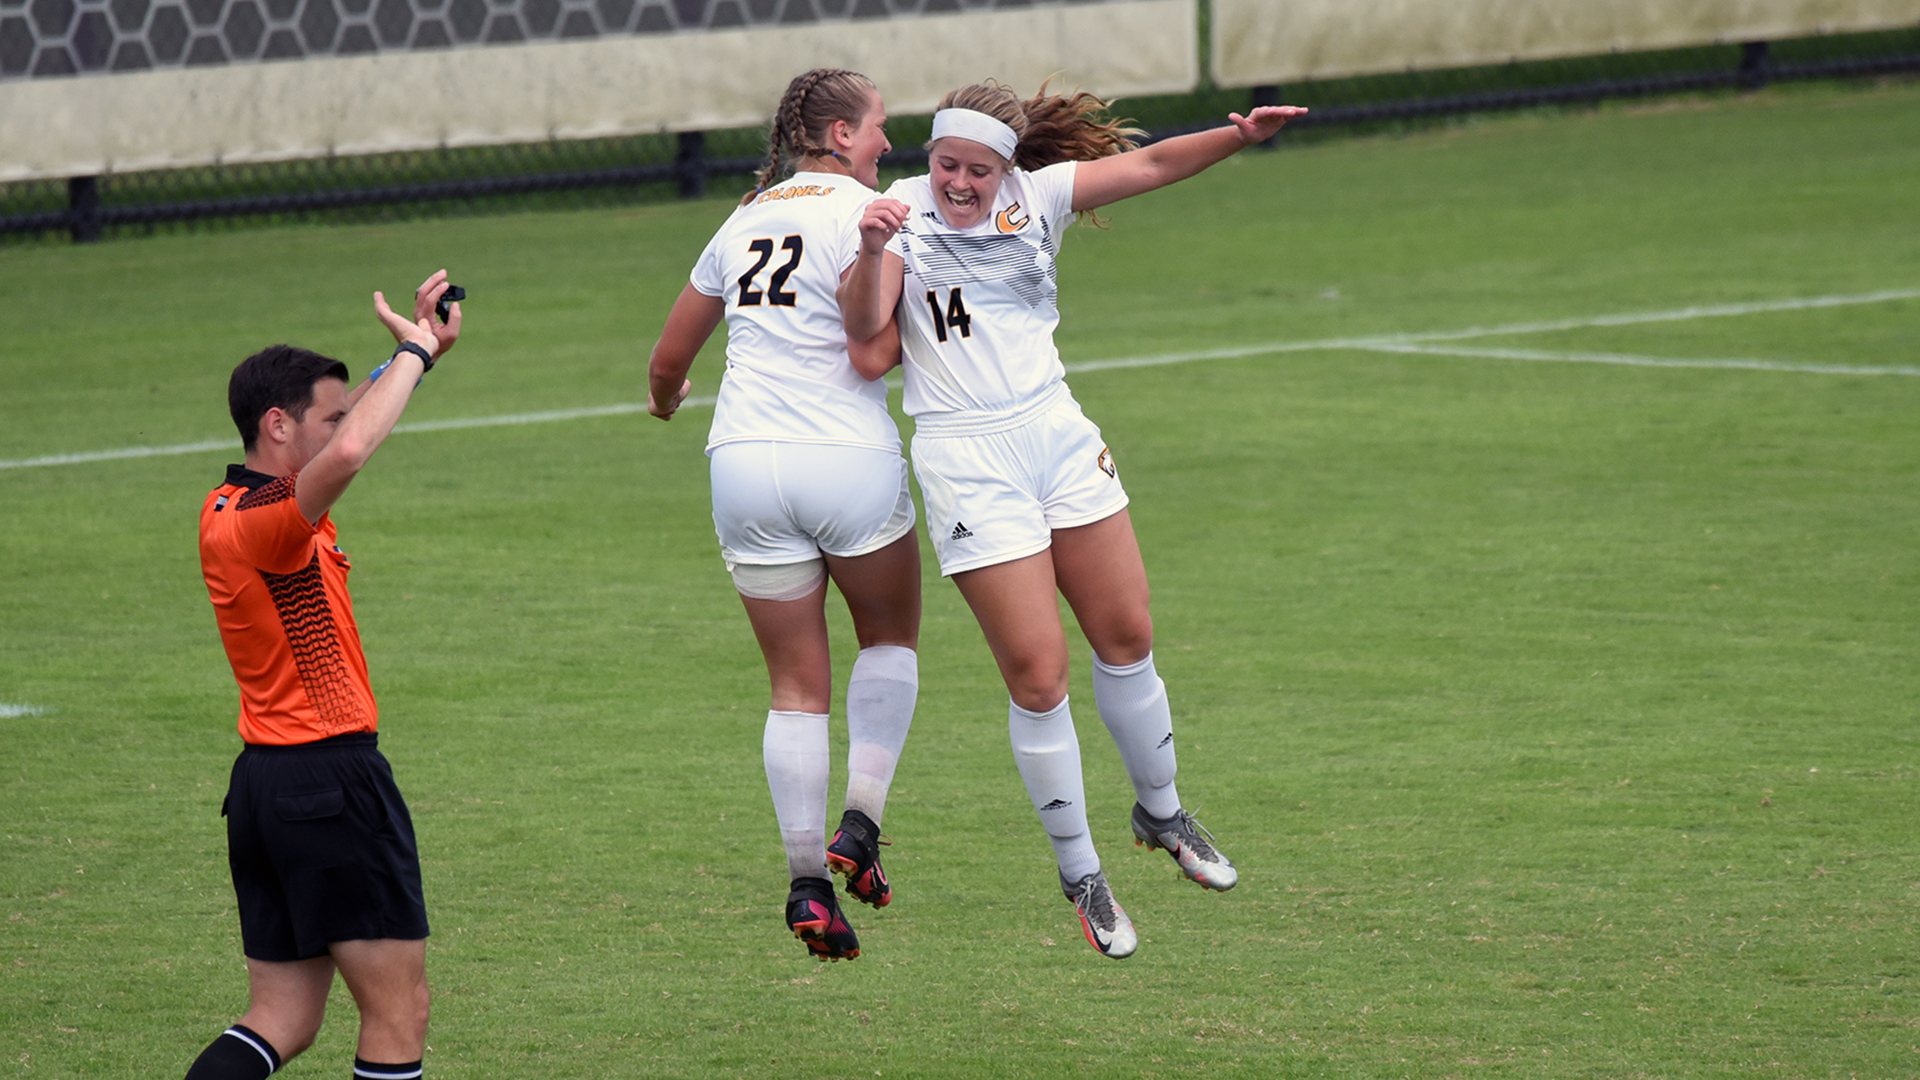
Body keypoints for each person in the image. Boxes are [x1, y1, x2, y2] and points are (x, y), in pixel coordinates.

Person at [840, 81, 1306, 959]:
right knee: (1038, 676)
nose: (961, 185)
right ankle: (1082, 872)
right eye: (947, 165)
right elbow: (865, 331)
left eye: (980, 169)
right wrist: (871, 251)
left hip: (1055, 433)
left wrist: (1241, 135)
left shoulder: (1040, 196)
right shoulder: (894, 211)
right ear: (927, 158)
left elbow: (1156, 162)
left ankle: (1162, 814)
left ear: (1009, 165)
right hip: (967, 459)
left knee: (1128, 634)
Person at [647, 68, 920, 963]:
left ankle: (808, 882)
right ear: (840, 135)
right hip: (844, 456)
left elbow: (668, 359)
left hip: (744, 467)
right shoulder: (868, 215)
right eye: (880, 126)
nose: (889, 140)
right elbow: (871, 342)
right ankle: (862, 827)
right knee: (887, 642)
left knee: (795, 687)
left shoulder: (743, 217)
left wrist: (666, 400)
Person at [186, 271, 461, 1080]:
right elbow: (348, 446)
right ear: (278, 425)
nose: (348, 423)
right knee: (398, 1012)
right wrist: (413, 348)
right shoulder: (274, 525)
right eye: (328, 410)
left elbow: (342, 428)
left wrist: (414, 360)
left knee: (281, 1018)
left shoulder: (230, 508)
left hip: (266, 788)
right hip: (331, 783)